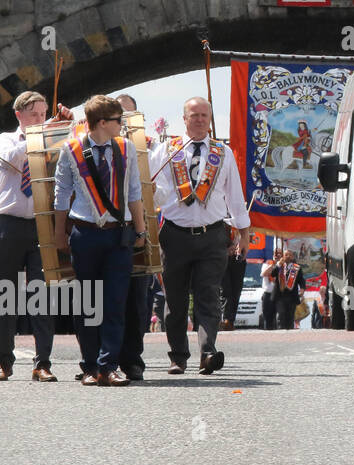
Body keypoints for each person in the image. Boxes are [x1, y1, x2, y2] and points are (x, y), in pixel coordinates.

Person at [52, 95, 147, 387]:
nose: (123, 125)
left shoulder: (126, 147)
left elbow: (134, 191)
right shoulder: (71, 149)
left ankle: (109, 365)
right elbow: (61, 192)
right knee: (88, 303)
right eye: (119, 120)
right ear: (103, 123)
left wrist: (141, 232)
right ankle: (90, 365)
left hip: (118, 233)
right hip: (85, 232)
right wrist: (58, 234)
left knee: (116, 302)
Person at [154, 97, 250, 375]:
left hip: (212, 235)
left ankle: (208, 353)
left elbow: (235, 195)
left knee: (209, 295)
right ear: (184, 119)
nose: (199, 120)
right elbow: (153, 189)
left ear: (210, 119)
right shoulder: (166, 151)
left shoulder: (223, 152)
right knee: (176, 299)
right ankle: (178, 356)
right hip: (174, 235)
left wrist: (243, 233)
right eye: (194, 115)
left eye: (204, 115)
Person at [0, 91, 67, 382]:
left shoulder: (51, 139)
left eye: (43, 115)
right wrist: (38, 135)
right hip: (9, 222)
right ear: (19, 116)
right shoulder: (6, 139)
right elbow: (11, 158)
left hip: (41, 222)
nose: (39, 120)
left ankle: (43, 362)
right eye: (33, 115)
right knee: (7, 295)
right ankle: (4, 359)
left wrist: (63, 130)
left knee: (42, 294)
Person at [114, 93, 157, 379]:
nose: (123, 123)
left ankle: (132, 359)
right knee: (103, 299)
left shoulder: (150, 150)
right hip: (102, 227)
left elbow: (158, 194)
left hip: (135, 229)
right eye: (118, 117)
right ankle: (100, 360)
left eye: (128, 117)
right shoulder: (89, 145)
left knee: (136, 299)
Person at [273, 247, 305, 329]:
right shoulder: (279, 265)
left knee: (290, 317)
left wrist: (302, 289)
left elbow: (301, 280)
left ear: (293, 257)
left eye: (290, 255)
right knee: (281, 315)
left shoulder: (297, 267)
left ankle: (289, 334)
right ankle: (281, 333)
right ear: (283, 256)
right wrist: (278, 264)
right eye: (286, 255)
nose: (288, 256)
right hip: (280, 295)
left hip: (292, 296)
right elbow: (272, 274)